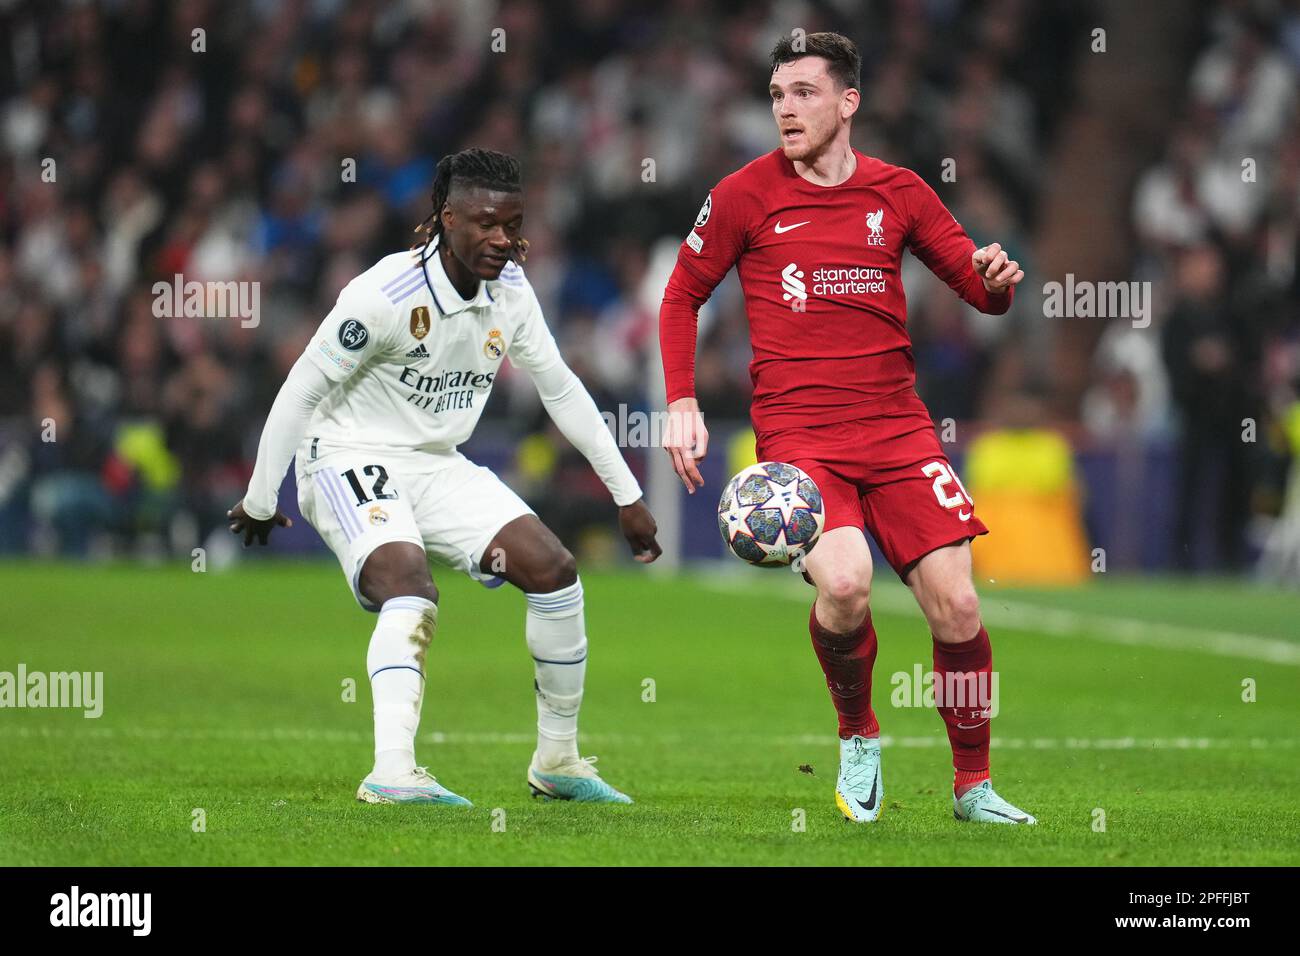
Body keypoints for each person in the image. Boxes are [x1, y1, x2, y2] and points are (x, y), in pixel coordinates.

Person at [659, 33, 1035, 824]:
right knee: (844, 585)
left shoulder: (898, 193)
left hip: (899, 431)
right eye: (776, 95)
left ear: (848, 102)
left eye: (803, 93)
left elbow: (977, 288)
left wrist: (997, 282)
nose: (785, 110)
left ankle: (973, 787)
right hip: (801, 438)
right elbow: (680, 296)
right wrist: (683, 401)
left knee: (960, 608)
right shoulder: (742, 194)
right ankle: (858, 735)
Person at [228, 148, 661, 806]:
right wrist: (263, 497)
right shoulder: (384, 294)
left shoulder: (511, 290)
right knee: (409, 584)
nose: (501, 240)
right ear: (444, 218)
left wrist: (627, 495)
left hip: (436, 462)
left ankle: (558, 761)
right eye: (484, 224)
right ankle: (392, 771)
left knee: (555, 571)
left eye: (512, 224)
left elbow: (562, 390)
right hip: (347, 453)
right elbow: (299, 390)